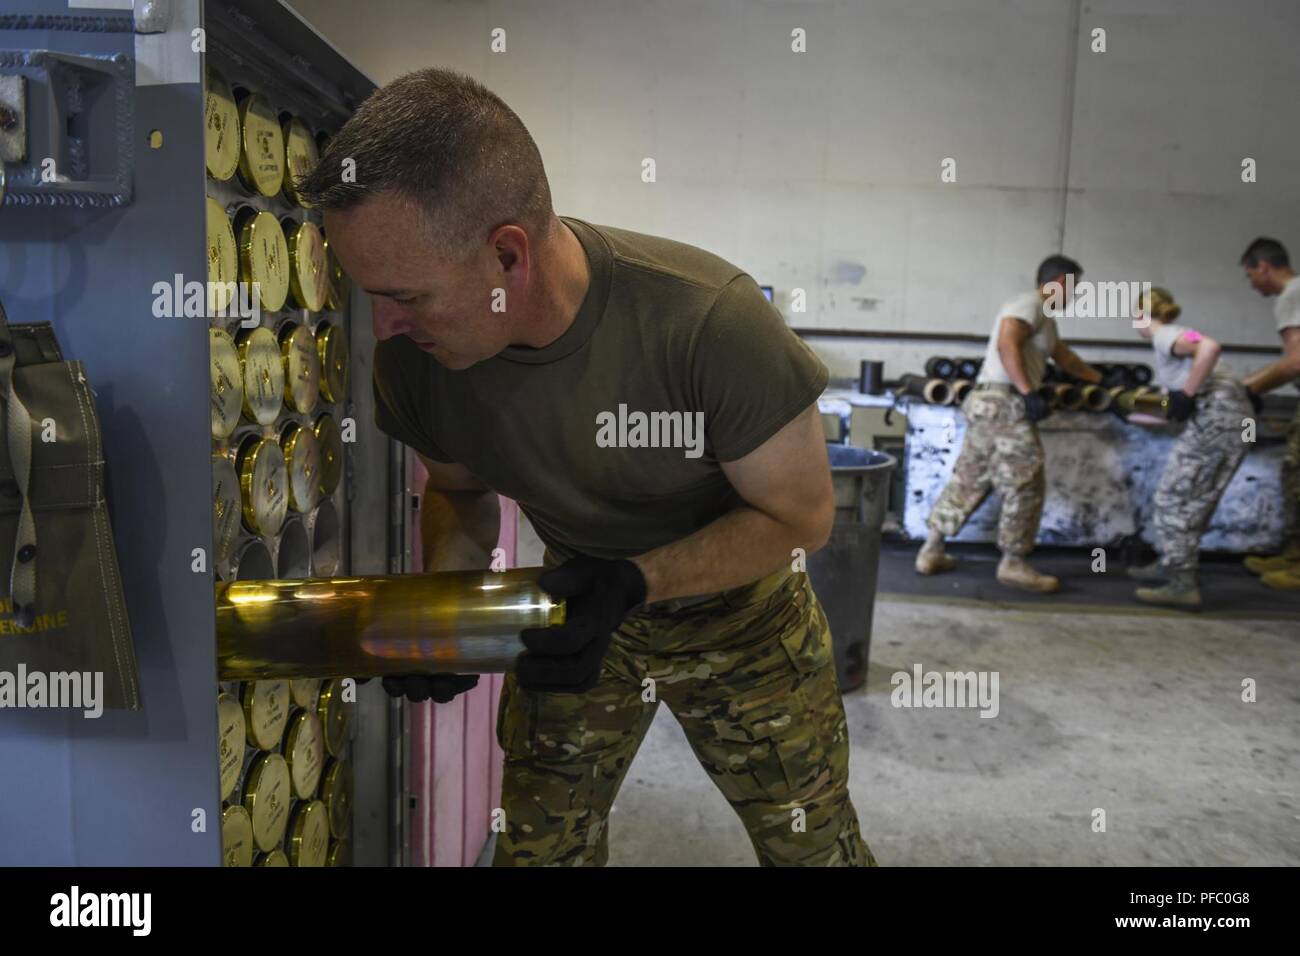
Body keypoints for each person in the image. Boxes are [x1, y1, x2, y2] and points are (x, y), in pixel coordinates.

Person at [297, 68, 873, 866]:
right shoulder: (415, 357)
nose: (384, 327)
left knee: (811, 850)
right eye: (370, 295)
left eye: (408, 297)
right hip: (573, 617)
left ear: (508, 255)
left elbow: (799, 517)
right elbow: (460, 492)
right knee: (538, 854)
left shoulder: (709, 323)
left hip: (746, 625)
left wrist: (632, 582)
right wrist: (452, 615)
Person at [915, 256, 1105, 592]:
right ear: (1060, 282)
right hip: (1004, 404)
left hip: (989, 404)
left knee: (971, 476)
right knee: (1025, 480)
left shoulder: (1044, 319)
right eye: (1074, 288)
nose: (1074, 295)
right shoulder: (1029, 303)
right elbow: (1007, 342)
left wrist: (1099, 380)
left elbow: (1065, 357)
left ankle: (931, 550)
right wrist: (1028, 392)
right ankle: (1013, 563)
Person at [1124, 288, 1251, 607]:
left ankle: (1182, 582)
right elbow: (1172, 410)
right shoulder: (1181, 336)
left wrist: (1188, 395)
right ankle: (1172, 564)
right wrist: (1131, 415)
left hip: (1216, 419)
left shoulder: (1164, 335)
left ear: (1140, 315)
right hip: (1233, 422)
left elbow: (1211, 347)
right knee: (1193, 499)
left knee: (1172, 497)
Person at [1238, 237, 1300, 590]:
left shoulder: (1291, 295)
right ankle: (1294, 556)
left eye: (1251, 275)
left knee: (1298, 480)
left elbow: (1296, 361)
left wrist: (1249, 389)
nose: (1252, 283)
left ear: (1263, 267)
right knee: (1294, 476)